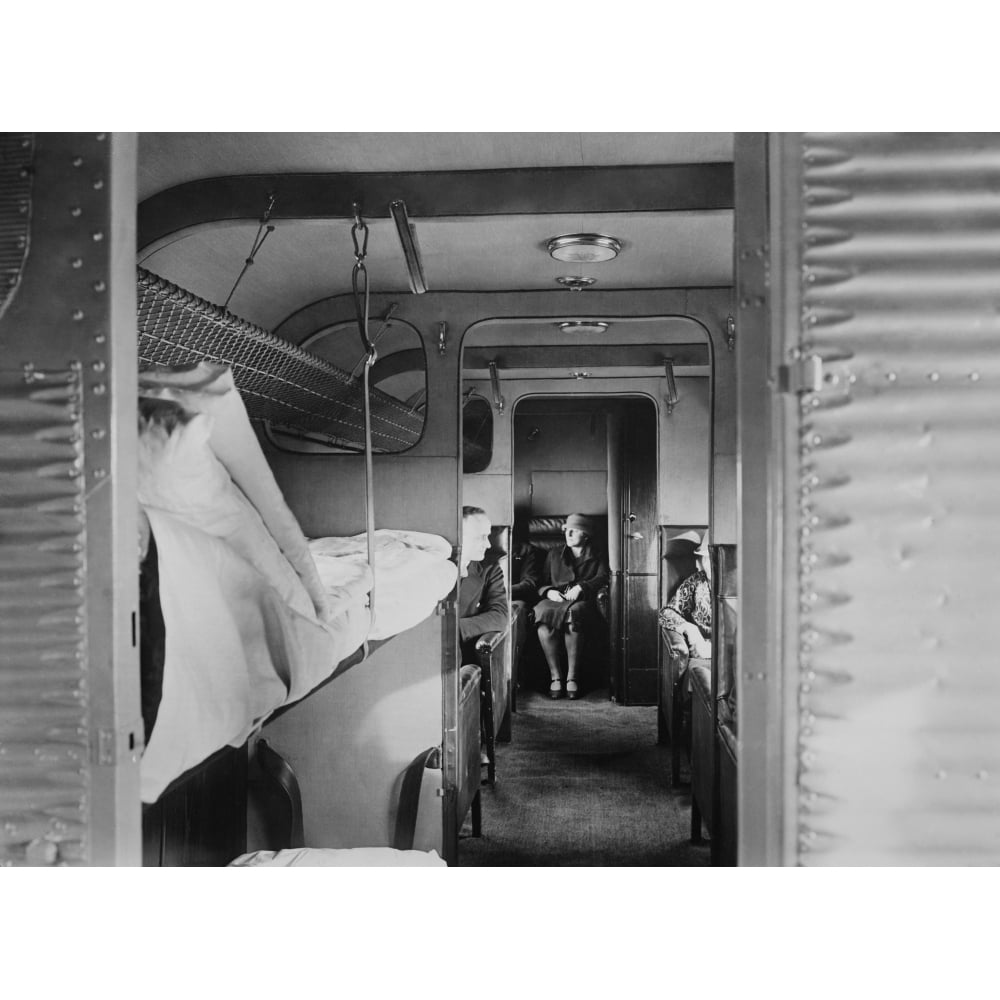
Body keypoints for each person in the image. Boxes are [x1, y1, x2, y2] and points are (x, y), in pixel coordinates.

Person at [534, 513, 609, 700]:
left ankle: (572, 678)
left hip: (582, 601)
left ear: (586, 535)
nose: (568, 534)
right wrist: (549, 591)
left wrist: (582, 587)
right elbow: (541, 582)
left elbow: (604, 577)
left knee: (573, 615)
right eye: (567, 530)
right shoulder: (553, 554)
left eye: (574, 531)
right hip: (556, 599)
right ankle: (555, 677)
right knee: (542, 615)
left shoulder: (598, 554)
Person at [457, 505, 508, 664]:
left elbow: (500, 616)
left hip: (462, 653)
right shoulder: (434, 568)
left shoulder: (489, 569)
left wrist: (456, 629)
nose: (488, 545)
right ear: (459, 536)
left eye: (488, 536)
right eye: (480, 537)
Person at [658, 532, 712, 659]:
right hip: (702, 649)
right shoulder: (697, 581)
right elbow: (666, 613)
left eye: (712, 559)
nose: (707, 565)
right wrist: (688, 628)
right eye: (705, 558)